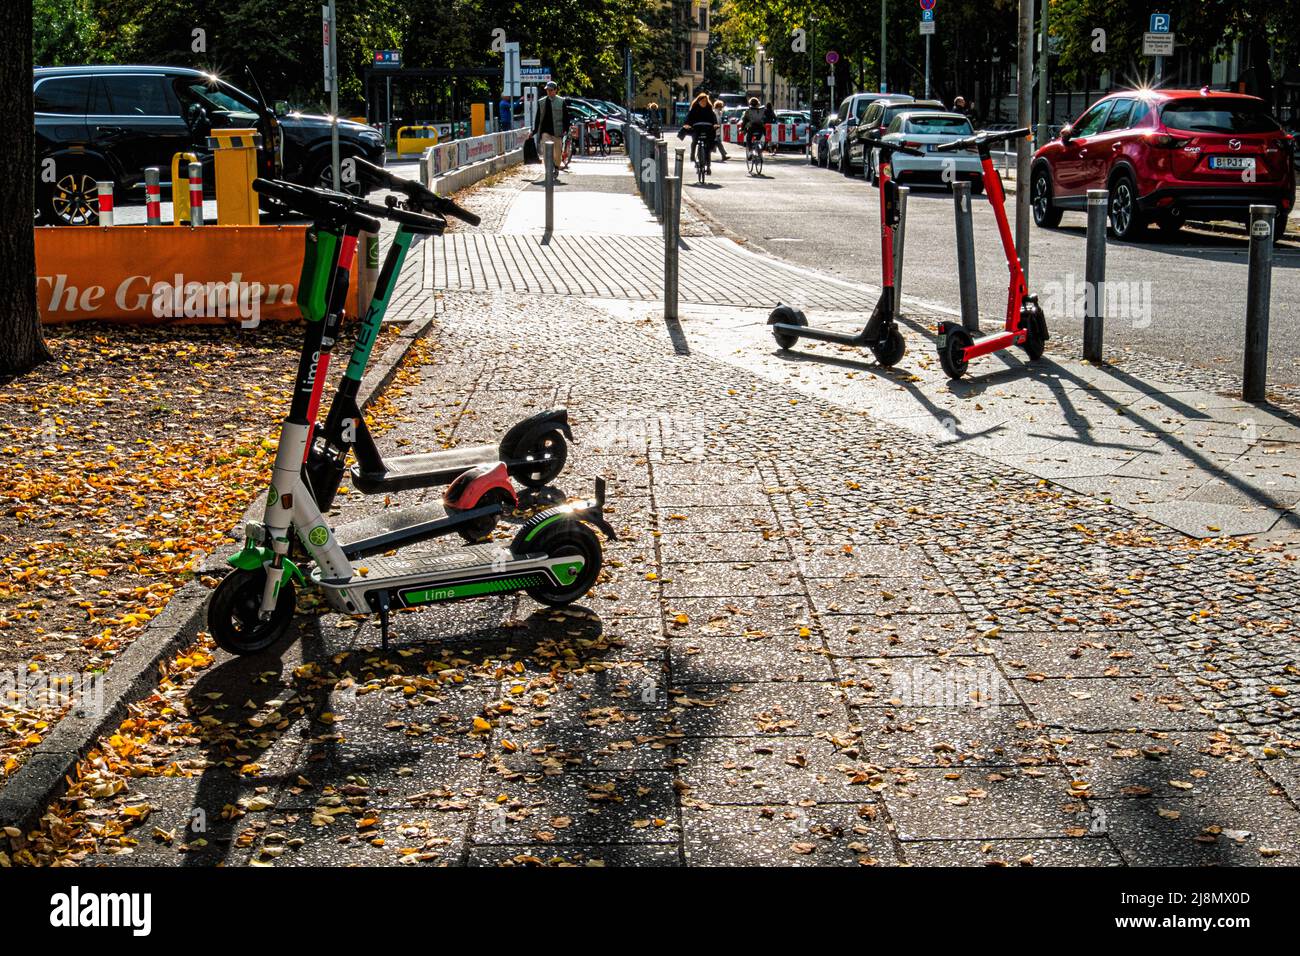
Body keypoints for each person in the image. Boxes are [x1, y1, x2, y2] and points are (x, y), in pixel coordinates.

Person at [532, 80, 566, 183]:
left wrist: (567, 130)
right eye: (547, 90)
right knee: (547, 153)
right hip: (545, 132)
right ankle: (548, 171)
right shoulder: (541, 102)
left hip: (558, 132)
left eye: (551, 90)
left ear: (556, 90)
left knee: (557, 154)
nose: (549, 92)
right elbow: (538, 118)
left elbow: (566, 117)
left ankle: (556, 167)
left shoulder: (561, 101)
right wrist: (534, 131)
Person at [679, 91, 718, 174]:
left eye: (705, 101)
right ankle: (692, 155)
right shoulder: (694, 108)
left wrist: (715, 124)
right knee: (695, 140)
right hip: (697, 127)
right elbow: (688, 117)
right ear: (698, 101)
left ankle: (708, 166)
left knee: (708, 145)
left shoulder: (709, 108)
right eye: (702, 101)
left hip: (707, 127)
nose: (704, 103)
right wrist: (686, 124)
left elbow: (714, 118)